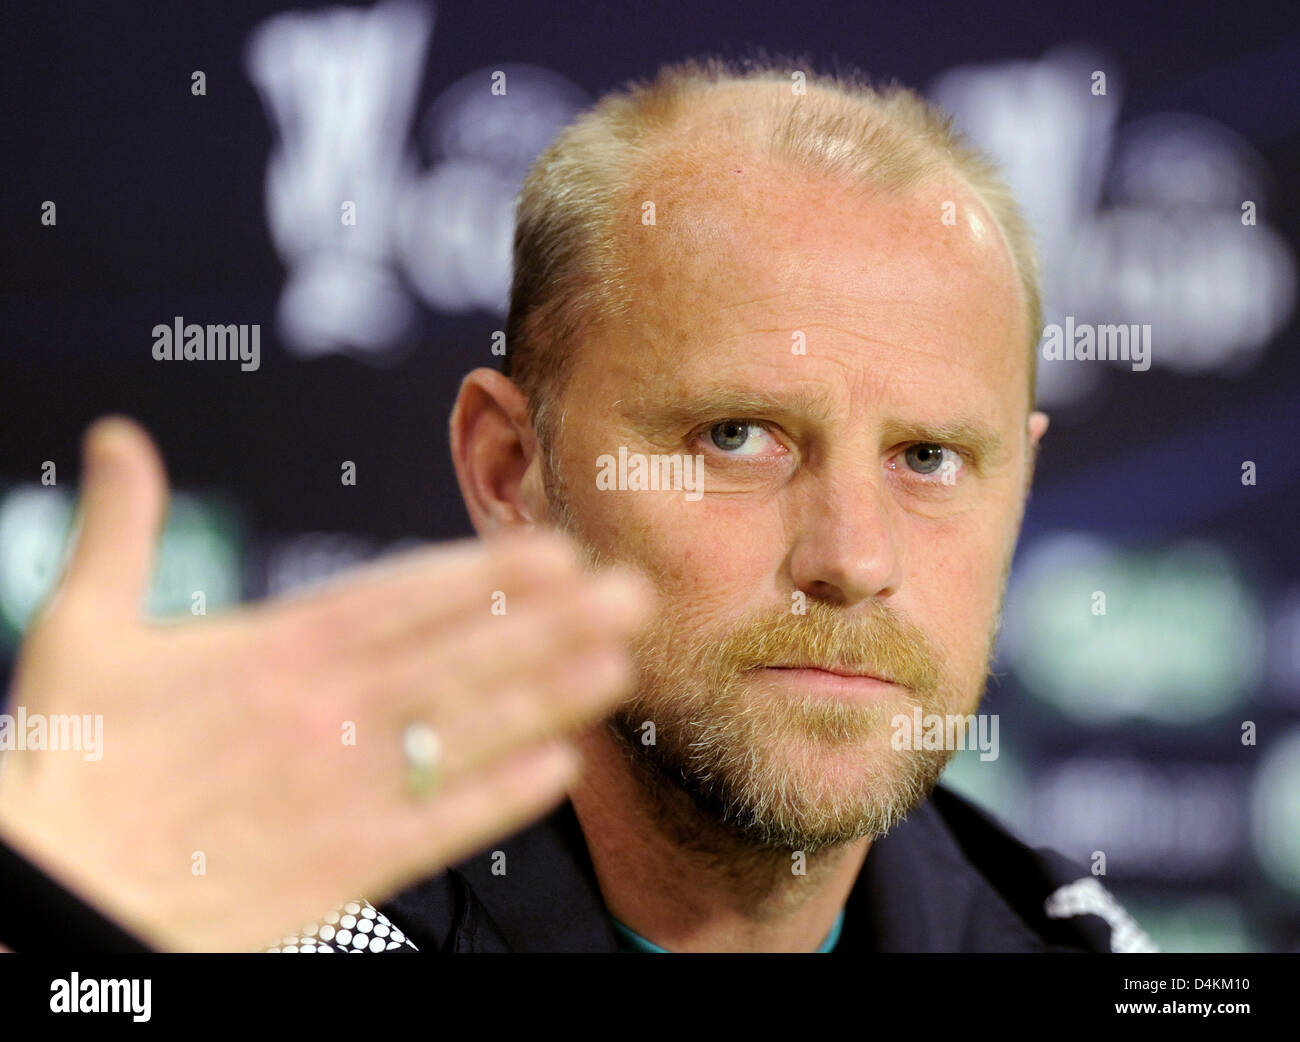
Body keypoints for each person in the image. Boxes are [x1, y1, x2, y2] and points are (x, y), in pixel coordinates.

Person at [0, 56, 1153, 953]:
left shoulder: (1087, 943)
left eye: (932, 458)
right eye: (737, 436)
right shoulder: (246, 927)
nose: (853, 557)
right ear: (510, 468)